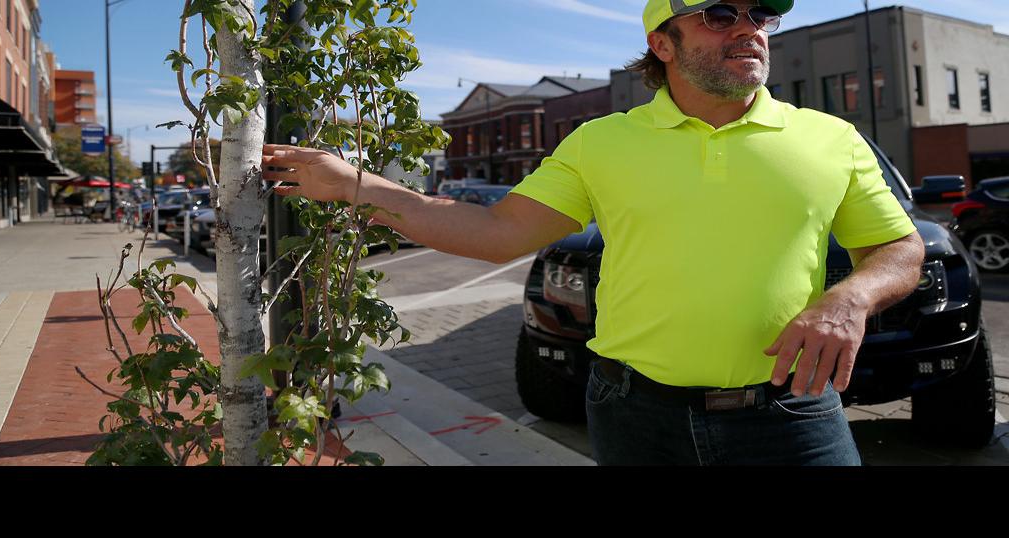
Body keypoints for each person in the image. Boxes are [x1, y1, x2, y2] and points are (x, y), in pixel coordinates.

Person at [261, 0, 925, 465]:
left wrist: (851, 298)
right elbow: (497, 232)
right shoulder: (601, 143)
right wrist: (355, 184)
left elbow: (899, 248)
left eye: (760, 14)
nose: (747, 29)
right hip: (638, 417)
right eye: (719, 15)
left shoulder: (830, 138)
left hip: (794, 414)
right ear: (662, 45)